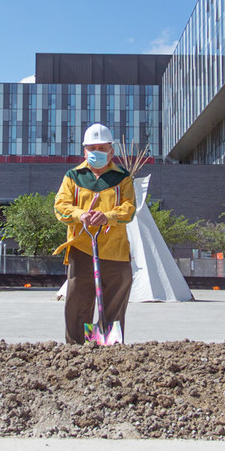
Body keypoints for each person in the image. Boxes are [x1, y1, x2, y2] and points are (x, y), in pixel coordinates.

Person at [55, 124, 139, 346]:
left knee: (113, 305)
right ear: (85, 151)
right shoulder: (73, 176)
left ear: (111, 151)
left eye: (102, 148)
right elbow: (61, 206)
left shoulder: (122, 178)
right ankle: (77, 349)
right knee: (78, 303)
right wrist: (80, 214)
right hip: (82, 248)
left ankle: (107, 348)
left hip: (115, 251)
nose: (97, 152)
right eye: (92, 148)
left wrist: (107, 217)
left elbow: (129, 209)